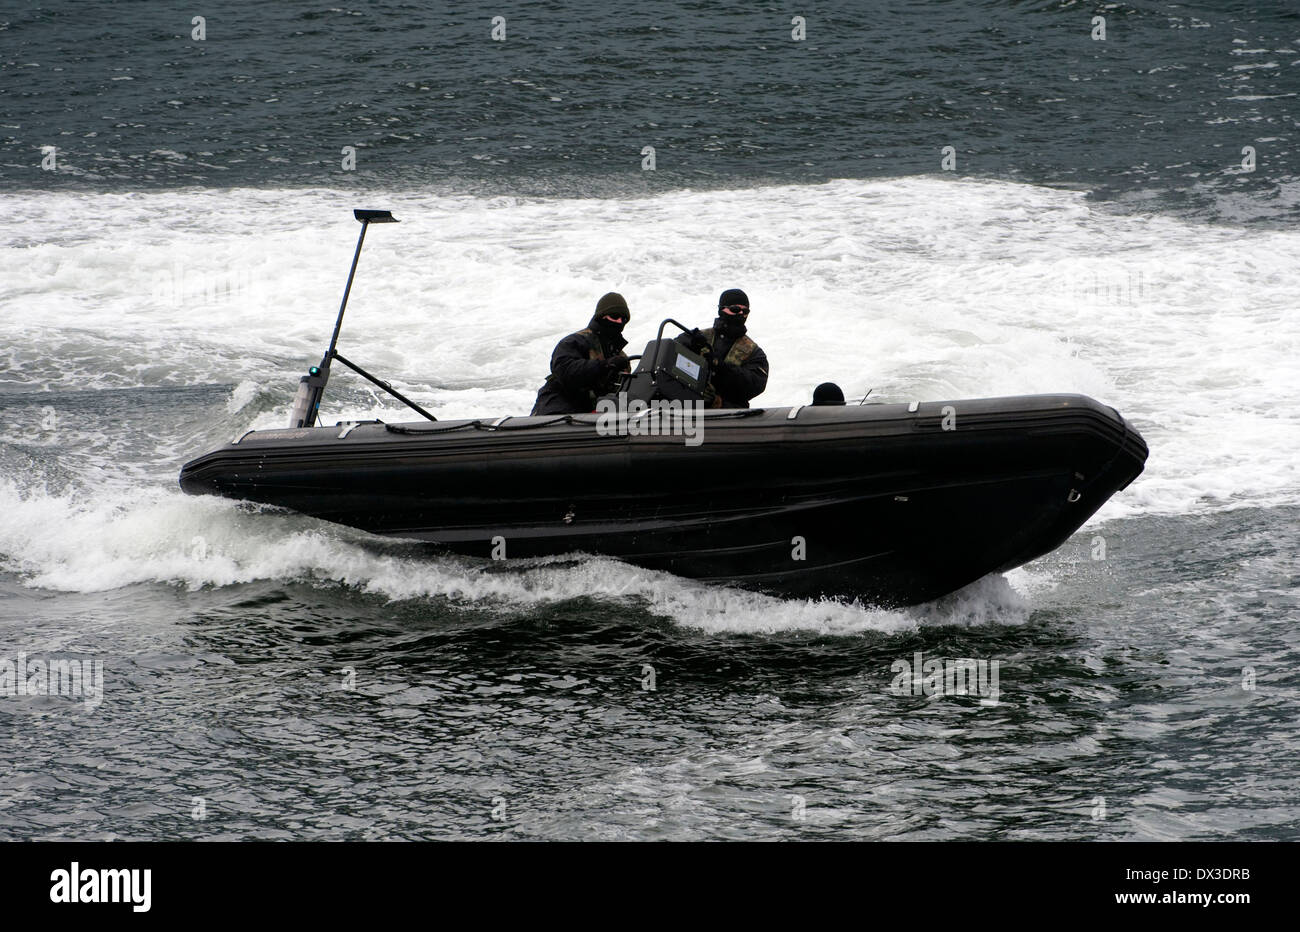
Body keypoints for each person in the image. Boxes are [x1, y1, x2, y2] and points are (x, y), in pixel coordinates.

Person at [530, 292, 632, 415]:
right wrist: (605, 365)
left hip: (594, 417)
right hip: (557, 411)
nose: (620, 322)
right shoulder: (574, 342)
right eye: (615, 316)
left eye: (624, 319)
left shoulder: (620, 357)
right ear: (601, 317)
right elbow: (565, 370)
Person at [676, 288, 769, 408]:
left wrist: (720, 366)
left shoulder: (754, 352)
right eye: (735, 309)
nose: (741, 314)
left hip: (727, 414)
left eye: (745, 311)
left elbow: (754, 385)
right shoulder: (696, 338)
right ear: (721, 310)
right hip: (688, 405)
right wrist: (692, 348)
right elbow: (669, 356)